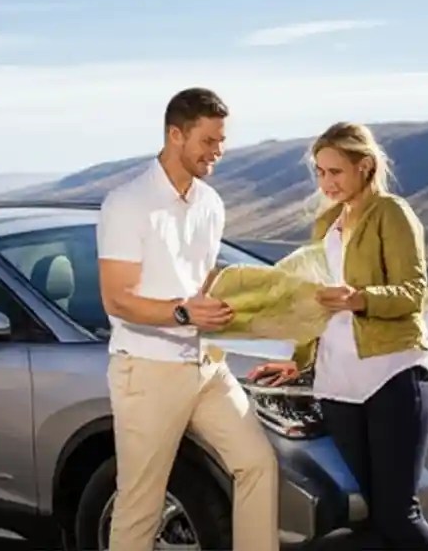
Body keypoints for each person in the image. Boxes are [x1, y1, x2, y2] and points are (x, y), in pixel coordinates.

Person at [96, 87, 280, 551]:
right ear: (175, 135)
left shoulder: (210, 204)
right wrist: (182, 311)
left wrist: (254, 292)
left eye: (221, 141)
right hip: (148, 369)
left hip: (207, 365)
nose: (217, 151)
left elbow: (201, 276)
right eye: (208, 141)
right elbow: (116, 299)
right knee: (141, 503)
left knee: (257, 463)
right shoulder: (127, 204)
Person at [248, 121, 428, 551]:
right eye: (320, 172)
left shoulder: (391, 213)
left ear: (365, 166)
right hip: (339, 387)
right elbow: (314, 306)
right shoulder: (328, 224)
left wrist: (359, 298)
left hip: (392, 376)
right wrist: (297, 361)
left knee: (399, 514)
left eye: (335, 171)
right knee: (377, 514)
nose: (326, 182)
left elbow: (412, 293)